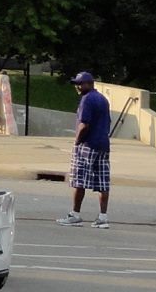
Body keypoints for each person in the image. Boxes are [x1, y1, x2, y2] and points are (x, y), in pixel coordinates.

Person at [59, 71, 112, 227]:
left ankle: (75, 214)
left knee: (79, 179)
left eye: (79, 84)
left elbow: (84, 124)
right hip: (103, 143)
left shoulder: (86, 100)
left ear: (89, 84)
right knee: (103, 180)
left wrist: (77, 141)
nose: (77, 87)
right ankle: (103, 218)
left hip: (87, 144)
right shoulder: (103, 99)